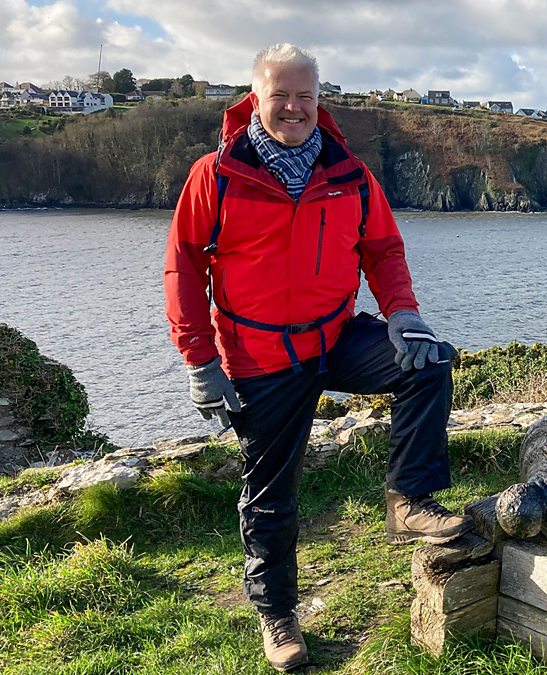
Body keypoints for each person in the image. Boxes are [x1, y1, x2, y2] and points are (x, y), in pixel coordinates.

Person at [164, 43, 472, 672]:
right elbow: (183, 269)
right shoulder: (217, 174)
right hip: (259, 356)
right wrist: (200, 362)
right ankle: (277, 614)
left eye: (305, 95)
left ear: (318, 99)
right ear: (256, 98)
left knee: (428, 363)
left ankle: (409, 500)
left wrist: (403, 317)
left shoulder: (349, 173)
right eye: (281, 95)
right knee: (271, 494)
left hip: (336, 337)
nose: (294, 107)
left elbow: (382, 249)